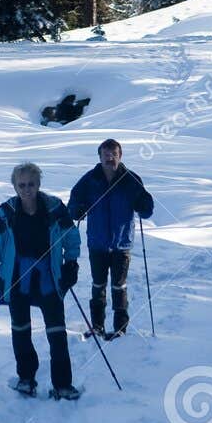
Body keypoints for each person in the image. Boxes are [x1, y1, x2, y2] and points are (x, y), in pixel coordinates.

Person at [0, 162, 82, 400]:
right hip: (17, 279)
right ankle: (26, 379)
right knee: (20, 331)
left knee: (57, 332)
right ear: (14, 186)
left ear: (38, 184)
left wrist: (71, 263)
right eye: (21, 185)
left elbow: (71, 237)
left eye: (31, 184)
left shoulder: (55, 209)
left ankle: (63, 384)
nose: (26, 189)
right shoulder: (7, 213)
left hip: (48, 278)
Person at [67, 139, 153, 339]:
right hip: (97, 243)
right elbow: (73, 202)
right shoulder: (89, 180)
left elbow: (147, 208)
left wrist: (143, 205)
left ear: (120, 156)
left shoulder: (131, 179)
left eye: (114, 154)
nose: (110, 158)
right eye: (106, 154)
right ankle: (97, 326)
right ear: (99, 157)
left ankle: (120, 328)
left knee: (119, 285)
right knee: (98, 285)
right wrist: (77, 210)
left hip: (121, 244)